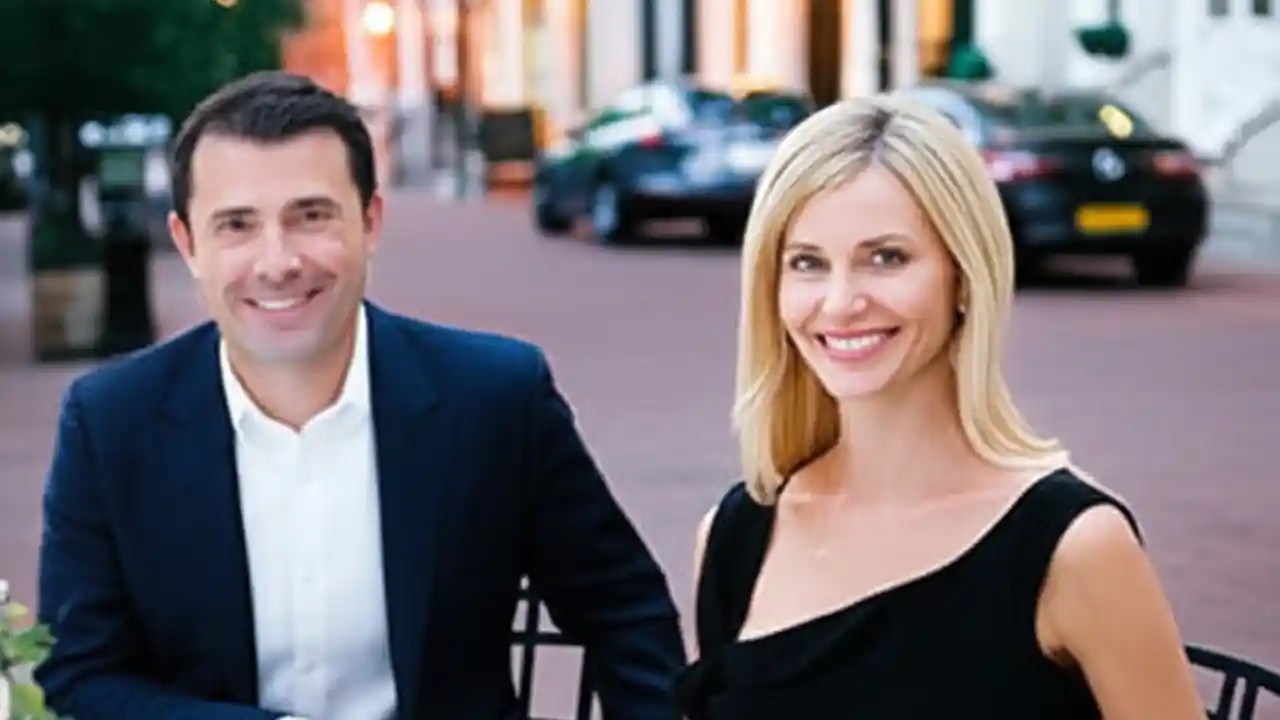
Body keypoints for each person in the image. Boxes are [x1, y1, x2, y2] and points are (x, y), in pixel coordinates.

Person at [36, 71, 686, 720]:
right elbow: (79, 674)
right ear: (188, 244)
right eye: (237, 224)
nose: (277, 262)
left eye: (311, 216)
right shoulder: (111, 423)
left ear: (370, 221)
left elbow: (625, 611)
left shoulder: (494, 398)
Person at [674, 96, 1204, 719]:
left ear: (964, 277)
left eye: (886, 258)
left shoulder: (1075, 546)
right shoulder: (735, 537)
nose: (840, 303)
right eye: (807, 263)